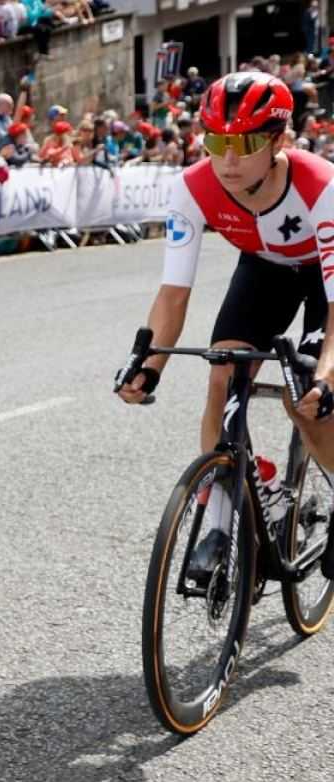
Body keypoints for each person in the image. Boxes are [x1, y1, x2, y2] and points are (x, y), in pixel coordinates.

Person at [117, 72, 334, 570]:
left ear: (279, 140)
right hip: (265, 268)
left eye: (246, 143)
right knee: (221, 376)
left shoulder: (321, 187)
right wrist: (149, 366)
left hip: (326, 277)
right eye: (216, 141)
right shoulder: (192, 189)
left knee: (305, 397)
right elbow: (173, 294)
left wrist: (325, 377)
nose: (228, 160)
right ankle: (219, 523)